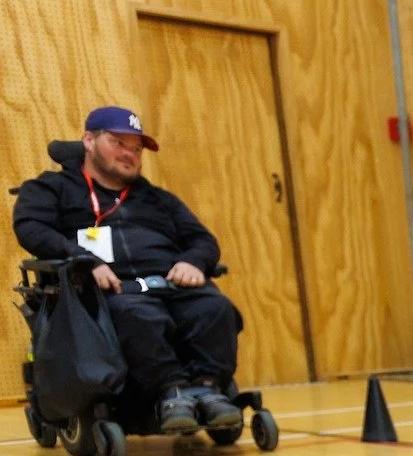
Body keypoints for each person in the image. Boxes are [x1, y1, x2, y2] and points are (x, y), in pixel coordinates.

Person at [11, 107, 242, 434]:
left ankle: (209, 389)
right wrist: (83, 260)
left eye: (136, 149)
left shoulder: (158, 199)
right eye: (118, 143)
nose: (129, 154)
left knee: (215, 308)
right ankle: (171, 390)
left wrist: (193, 261)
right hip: (112, 289)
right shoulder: (52, 188)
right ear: (88, 141)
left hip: (171, 283)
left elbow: (202, 239)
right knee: (138, 315)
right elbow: (31, 227)